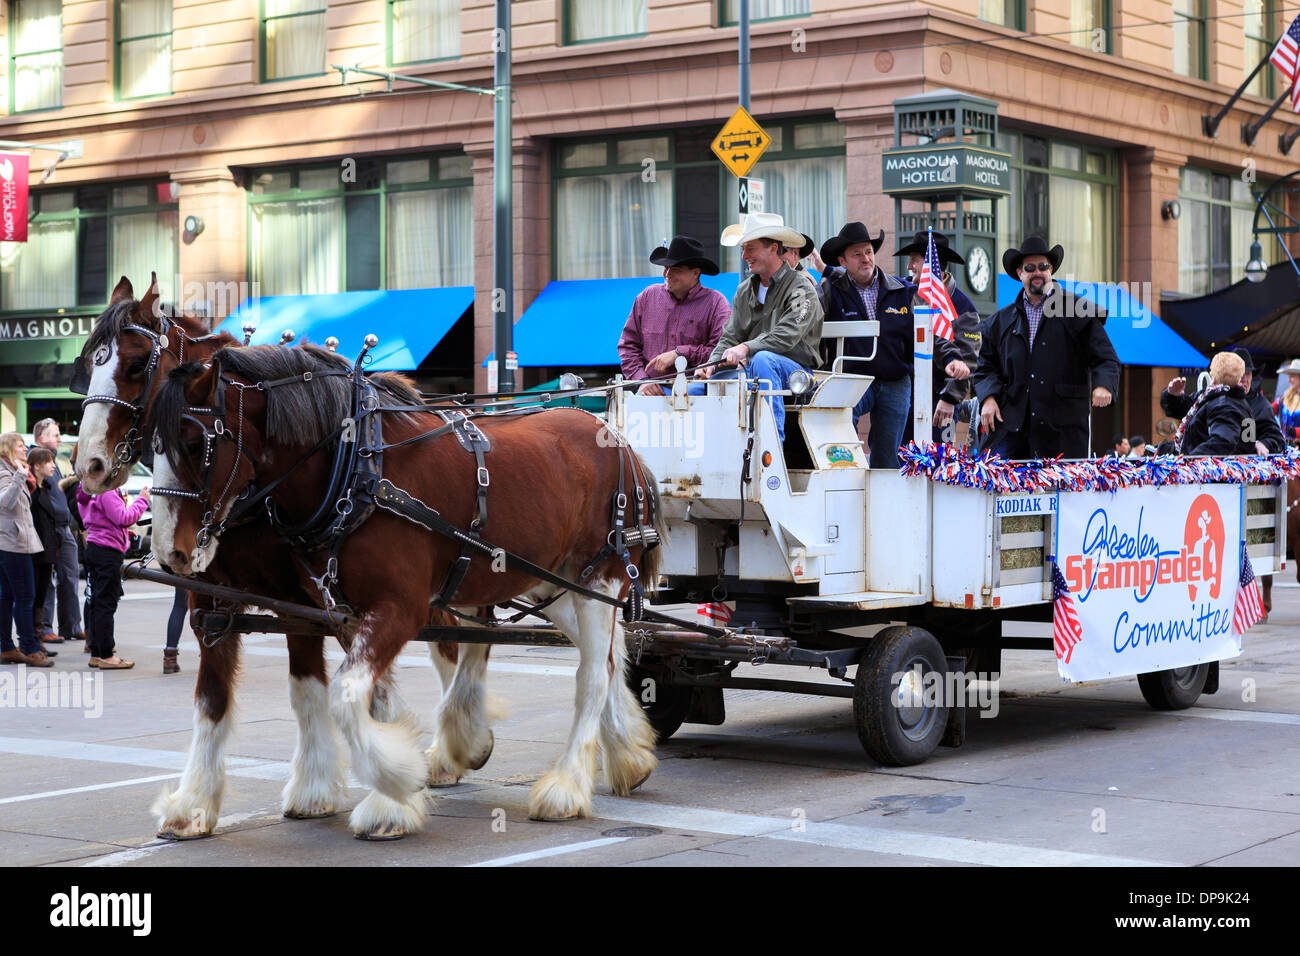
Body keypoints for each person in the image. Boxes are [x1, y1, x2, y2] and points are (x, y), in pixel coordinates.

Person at [974, 236, 1120, 459]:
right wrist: (988, 398)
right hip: (1012, 430)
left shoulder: (1078, 311)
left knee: (1064, 492)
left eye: (1043, 266)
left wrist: (1104, 385)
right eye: (1030, 268)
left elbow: (1106, 358)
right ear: (1019, 274)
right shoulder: (999, 322)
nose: (1037, 272)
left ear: (1051, 270)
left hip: (1063, 431)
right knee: (997, 487)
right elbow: (985, 367)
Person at [691, 212, 824, 443]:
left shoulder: (801, 287)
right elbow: (729, 335)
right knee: (695, 390)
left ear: (773, 249)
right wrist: (711, 365)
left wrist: (744, 348)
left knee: (763, 360)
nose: (744, 256)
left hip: (797, 375)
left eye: (750, 249)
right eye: (743, 249)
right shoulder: (744, 290)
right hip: (753, 371)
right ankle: (704, 457)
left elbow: (787, 336)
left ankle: (771, 446)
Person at [816, 222, 919, 467]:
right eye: (857, 254)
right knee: (840, 433)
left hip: (895, 380)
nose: (866, 258)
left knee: (887, 457)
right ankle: (846, 488)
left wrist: (949, 360)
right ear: (842, 262)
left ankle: (882, 504)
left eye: (869, 252)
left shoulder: (903, 290)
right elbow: (811, 332)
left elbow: (928, 334)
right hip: (851, 378)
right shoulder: (828, 290)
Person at [617, 236, 732, 397]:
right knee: (635, 405)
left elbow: (720, 353)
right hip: (651, 390)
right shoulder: (647, 297)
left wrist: (680, 353)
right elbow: (627, 346)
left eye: (676, 269)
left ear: (695, 273)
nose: (668, 274)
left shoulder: (716, 304)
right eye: (666, 268)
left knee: (691, 393)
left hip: (698, 390)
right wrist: (642, 381)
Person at [895, 230, 980, 438]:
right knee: (898, 463)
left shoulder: (963, 306)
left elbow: (967, 359)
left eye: (914, 260)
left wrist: (950, 398)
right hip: (903, 395)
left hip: (940, 401)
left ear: (932, 265)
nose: (908, 266)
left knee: (935, 462)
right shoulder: (902, 294)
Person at [77, 481, 150, 669]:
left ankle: (96, 652)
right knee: (106, 603)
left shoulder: (86, 488)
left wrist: (124, 534)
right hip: (107, 552)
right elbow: (124, 517)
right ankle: (107, 655)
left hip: (95, 547)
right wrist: (142, 500)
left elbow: (100, 518)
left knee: (96, 602)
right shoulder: (105, 490)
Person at [1161, 347, 1284, 453]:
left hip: (1221, 471)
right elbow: (1182, 411)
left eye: (1247, 374)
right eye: (1239, 374)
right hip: (1205, 468)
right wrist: (1173, 396)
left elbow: (1224, 442)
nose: (1243, 379)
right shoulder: (1209, 394)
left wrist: (1263, 443)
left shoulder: (1261, 405)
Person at [0, 433, 53, 667]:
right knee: (24, 597)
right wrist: (20, 476)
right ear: (9, 449)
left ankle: (7, 647)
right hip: (13, 543)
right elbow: (5, 503)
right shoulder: (6, 472)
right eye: (21, 446)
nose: (25, 450)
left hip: (13, 541)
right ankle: (29, 648)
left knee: (8, 597)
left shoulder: (13, 470)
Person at [30, 419, 83, 645]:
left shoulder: (54, 462)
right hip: (48, 529)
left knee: (70, 577)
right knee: (47, 581)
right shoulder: (37, 463)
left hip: (64, 527)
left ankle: (71, 625)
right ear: (41, 437)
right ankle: (45, 628)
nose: (59, 439)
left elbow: (61, 493)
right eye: (55, 435)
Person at [27, 447, 62, 643]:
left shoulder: (46, 488)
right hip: (34, 550)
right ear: (37, 465)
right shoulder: (31, 491)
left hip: (47, 550)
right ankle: (31, 640)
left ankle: (37, 639)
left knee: (41, 594)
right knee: (32, 595)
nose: (53, 465)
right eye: (49, 462)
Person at [1271, 358, 1300, 442]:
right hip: (1285, 448)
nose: (1289, 380)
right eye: (1289, 376)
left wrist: (1296, 432)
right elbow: (1269, 410)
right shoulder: (1285, 398)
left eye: (1292, 376)